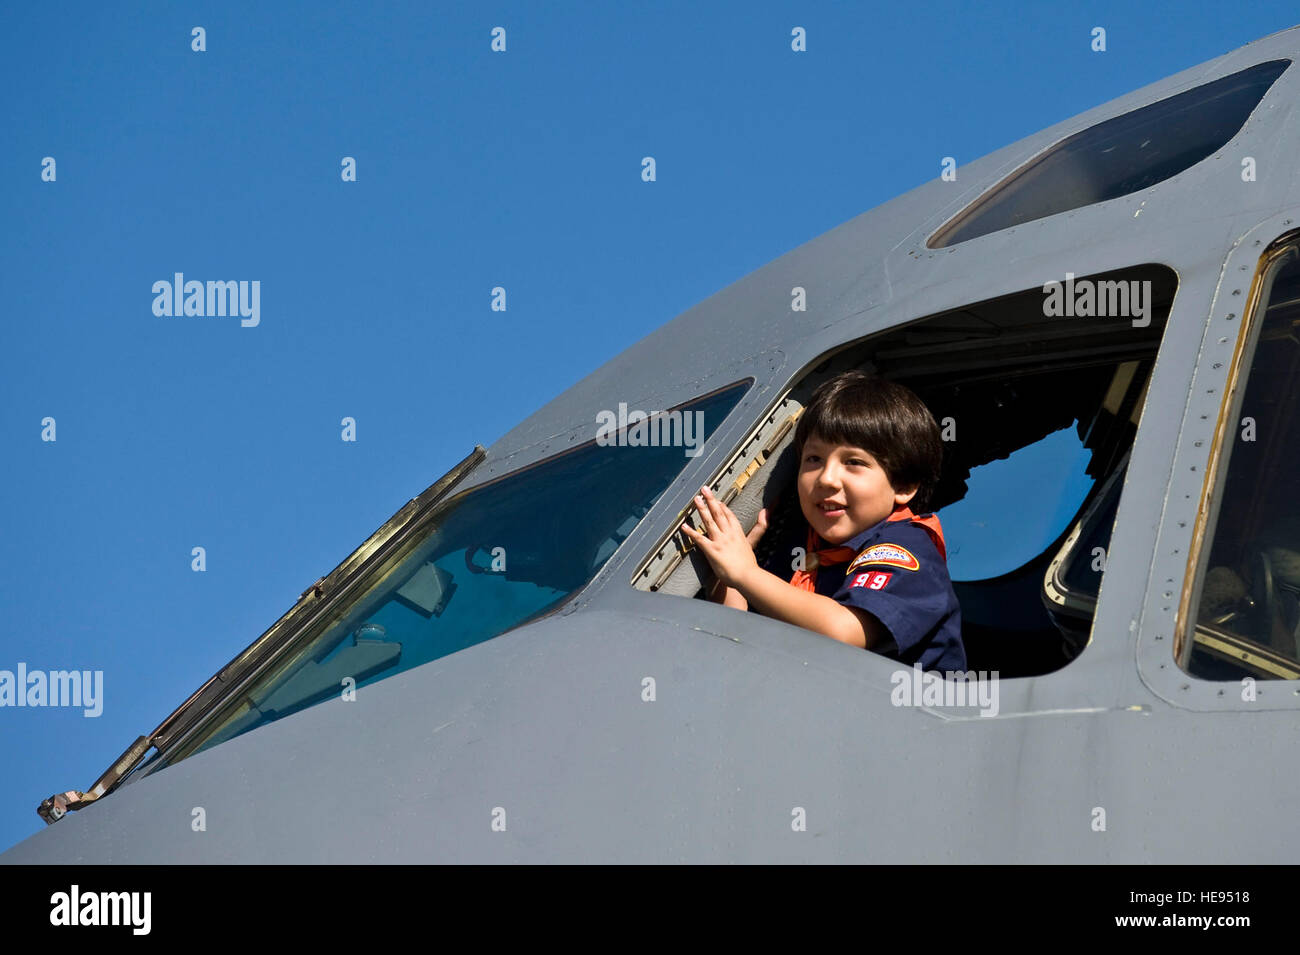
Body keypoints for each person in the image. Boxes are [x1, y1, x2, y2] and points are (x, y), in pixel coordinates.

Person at [680, 371, 965, 672]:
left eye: (854, 462)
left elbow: (843, 631)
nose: (827, 479)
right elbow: (738, 638)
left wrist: (746, 574)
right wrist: (727, 577)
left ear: (904, 486)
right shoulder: (800, 551)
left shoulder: (905, 549)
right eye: (813, 459)